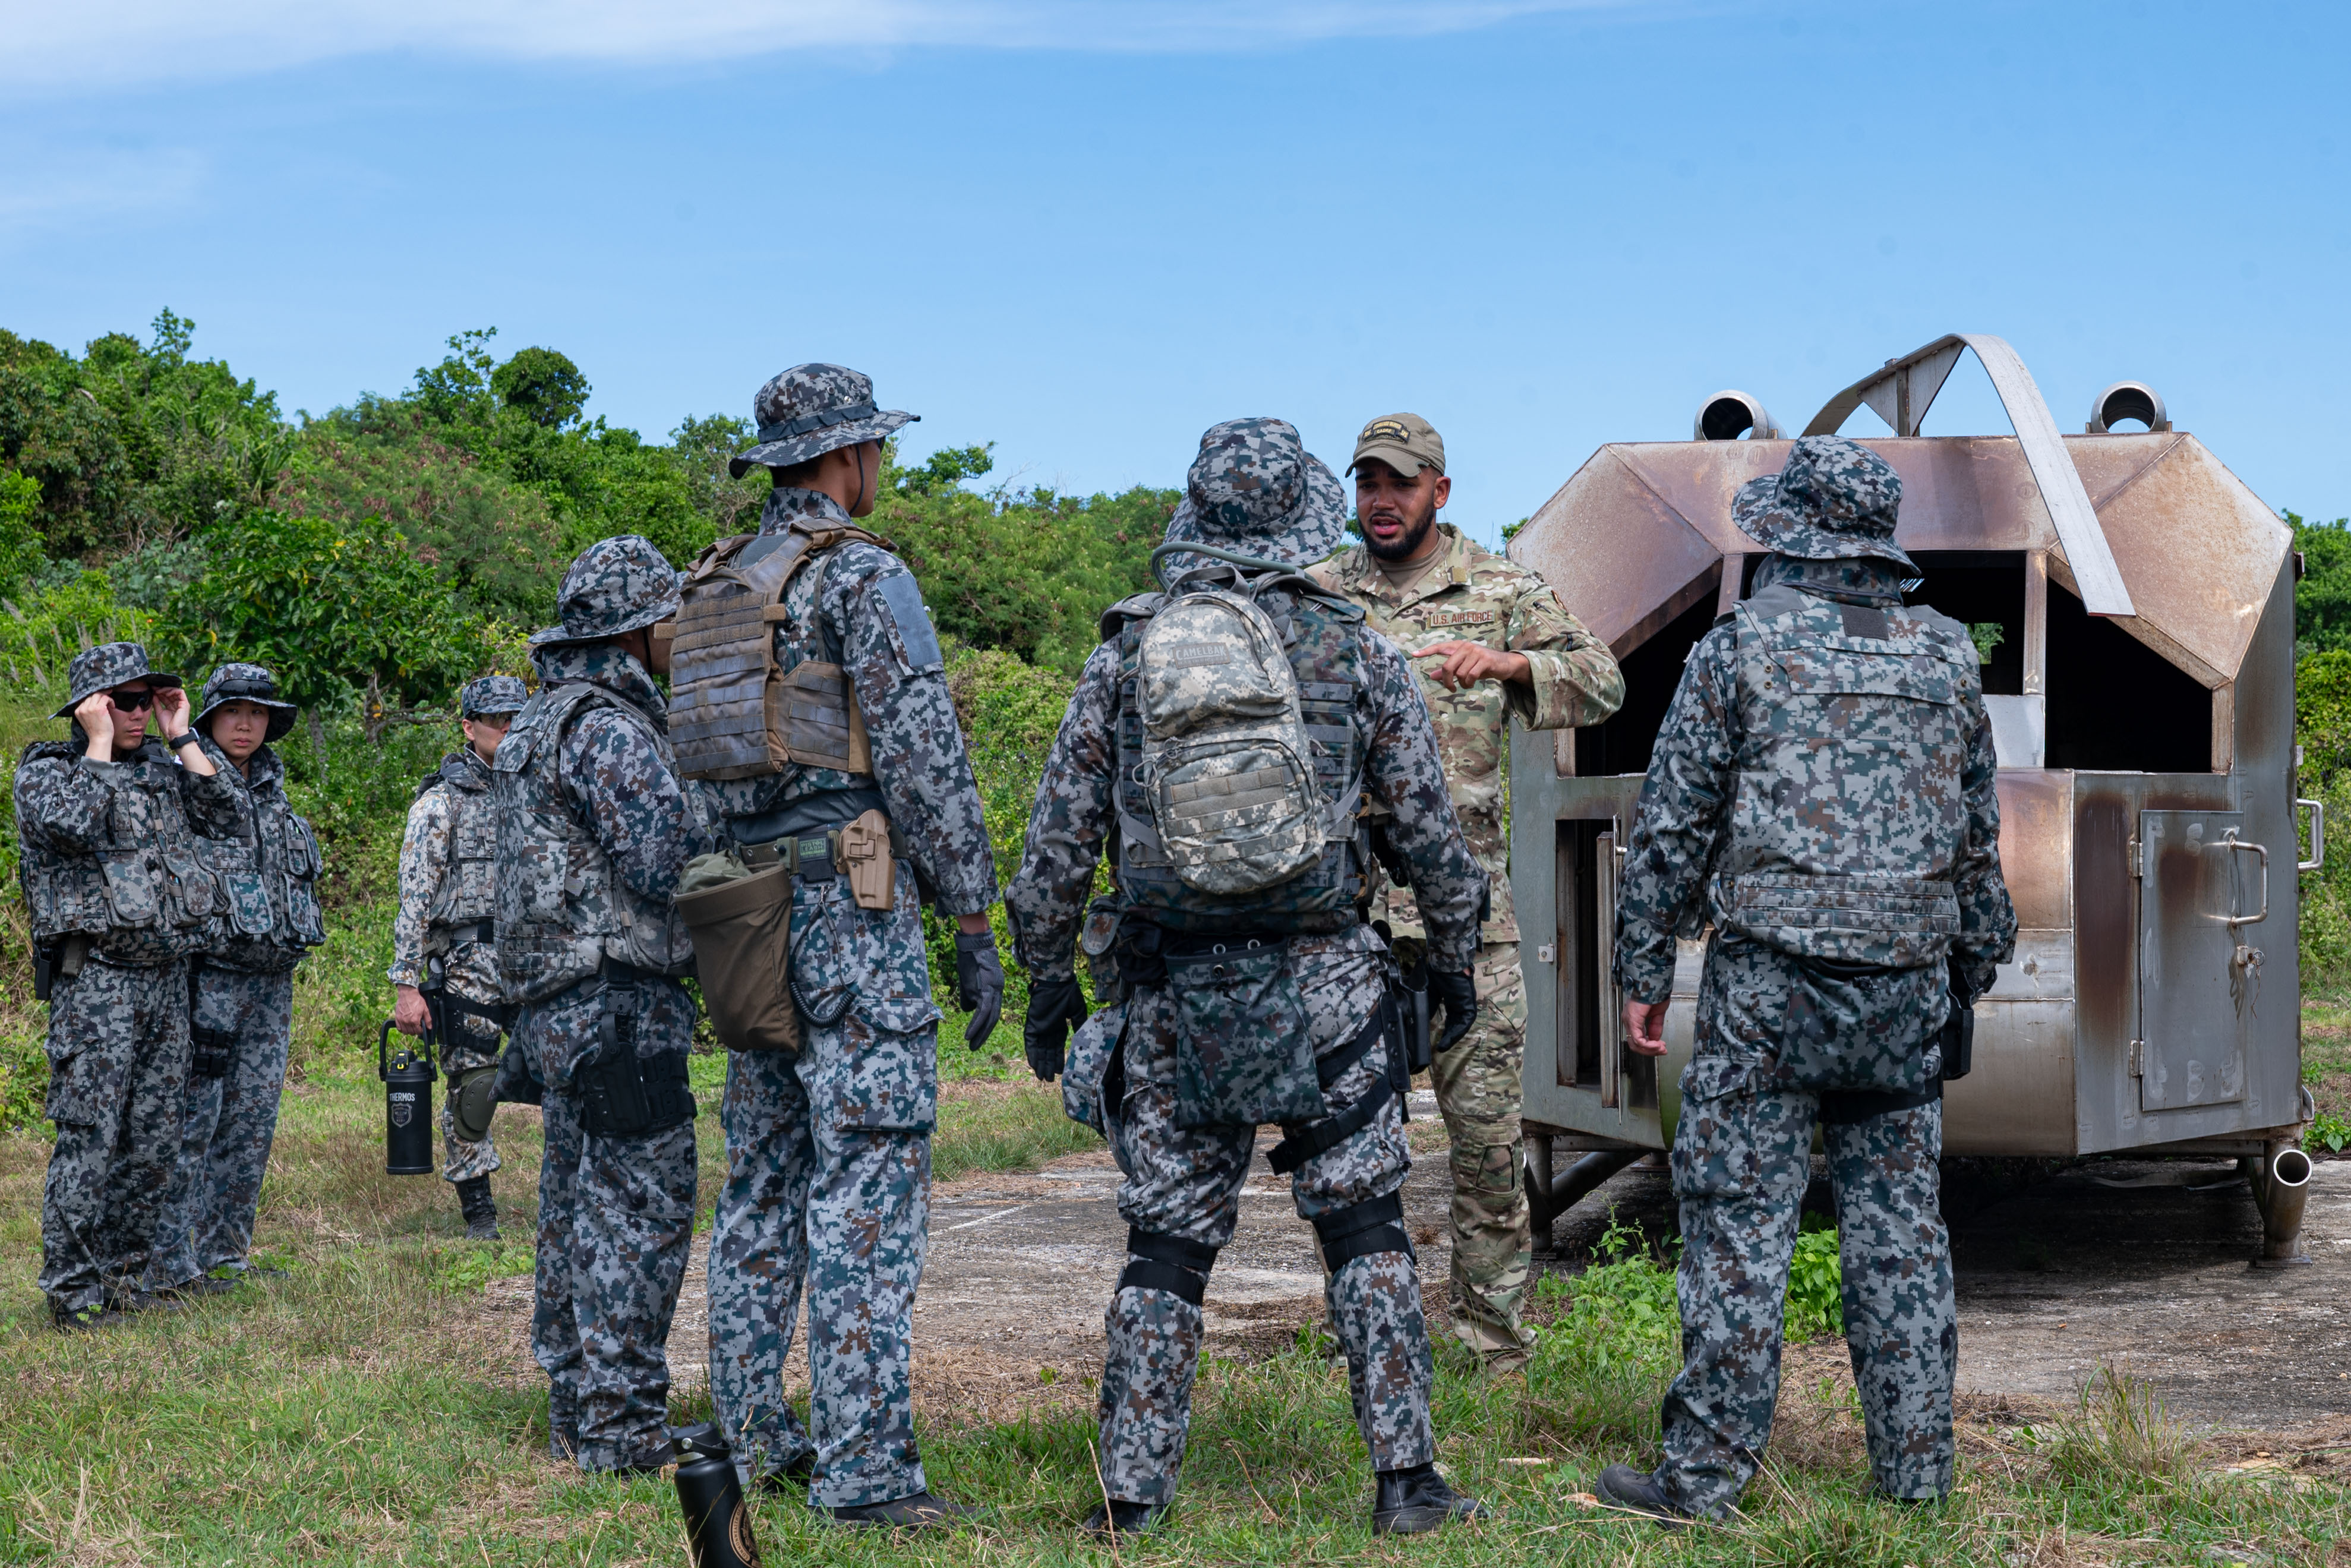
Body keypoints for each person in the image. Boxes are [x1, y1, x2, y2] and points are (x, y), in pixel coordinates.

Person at [1008, 417, 1492, 1537]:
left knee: (1168, 1239)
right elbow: (1430, 835)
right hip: (1328, 980)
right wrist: (1453, 962)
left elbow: (1053, 850)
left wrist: (1048, 980)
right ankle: (1406, 1482)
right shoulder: (1358, 649)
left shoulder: (1124, 656)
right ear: (1303, 517)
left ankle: (1131, 1497)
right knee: (1364, 1220)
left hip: (1177, 989)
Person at [1596, 436, 2017, 1523]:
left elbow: (1673, 824)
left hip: (1769, 992)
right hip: (1903, 992)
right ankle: (1916, 1475)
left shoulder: (1738, 650)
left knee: (1740, 1224)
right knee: (1901, 1230)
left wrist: (1642, 965)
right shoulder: (1943, 656)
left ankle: (1703, 1480)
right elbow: (1976, 836)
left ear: (1792, 533)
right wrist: (1969, 963)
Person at [681, 364, 1001, 1527]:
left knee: (763, 1181)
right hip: (849, 915)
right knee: (868, 1181)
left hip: (742, 911)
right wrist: (971, 912)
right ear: (847, 457)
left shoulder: (710, 584)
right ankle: (865, 1474)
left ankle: (757, 1434)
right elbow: (921, 750)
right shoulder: (863, 576)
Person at [1307, 412, 1624, 1368]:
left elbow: (1603, 680)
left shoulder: (1498, 589)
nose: (1380, 501)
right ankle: (1365, 1335)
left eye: (1398, 484)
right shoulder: (1319, 594)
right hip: (1347, 919)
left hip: (1467, 923)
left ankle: (1492, 1345)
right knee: (1346, 1149)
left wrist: (1513, 663)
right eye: (1367, 483)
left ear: (1439, 491)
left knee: (1485, 1148)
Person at [493, 536, 706, 1475]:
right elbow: (663, 860)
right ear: (639, 626)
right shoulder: (611, 727)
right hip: (618, 997)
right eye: (669, 617)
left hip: (556, 1001)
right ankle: (622, 1428)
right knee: (642, 1208)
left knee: (575, 1205)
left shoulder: (538, 720)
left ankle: (577, 1407)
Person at [15, 643, 238, 1330]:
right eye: (126, 700)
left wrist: (184, 733)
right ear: (89, 706)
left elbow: (230, 816)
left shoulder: (166, 772)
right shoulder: (50, 773)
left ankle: (123, 1282)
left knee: (152, 1141)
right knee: (91, 1137)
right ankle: (73, 1293)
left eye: (149, 698)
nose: (141, 711)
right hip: (99, 984)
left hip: (167, 982)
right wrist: (101, 743)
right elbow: (68, 824)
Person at [148, 663, 326, 1296]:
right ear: (210, 720)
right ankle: (171, 1262)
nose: (246, 723)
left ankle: (226, 1254)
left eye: (257, 713)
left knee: (251, 1124)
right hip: (211, 981)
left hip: (271, 983)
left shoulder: (277, 795)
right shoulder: (189, 781)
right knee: (193, 1122)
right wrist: (183, 742)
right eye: (232, 712)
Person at [389, 674, 531, 1241]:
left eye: (518, 719)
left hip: (540, 956)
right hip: (470, 956)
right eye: (498, 721)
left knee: (568, 1069)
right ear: (469, 727)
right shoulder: (439, 804)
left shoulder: (541, 790)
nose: (509, 730)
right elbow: (414, 898)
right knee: (473, 1083)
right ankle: (480, 1212)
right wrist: (406, 982)